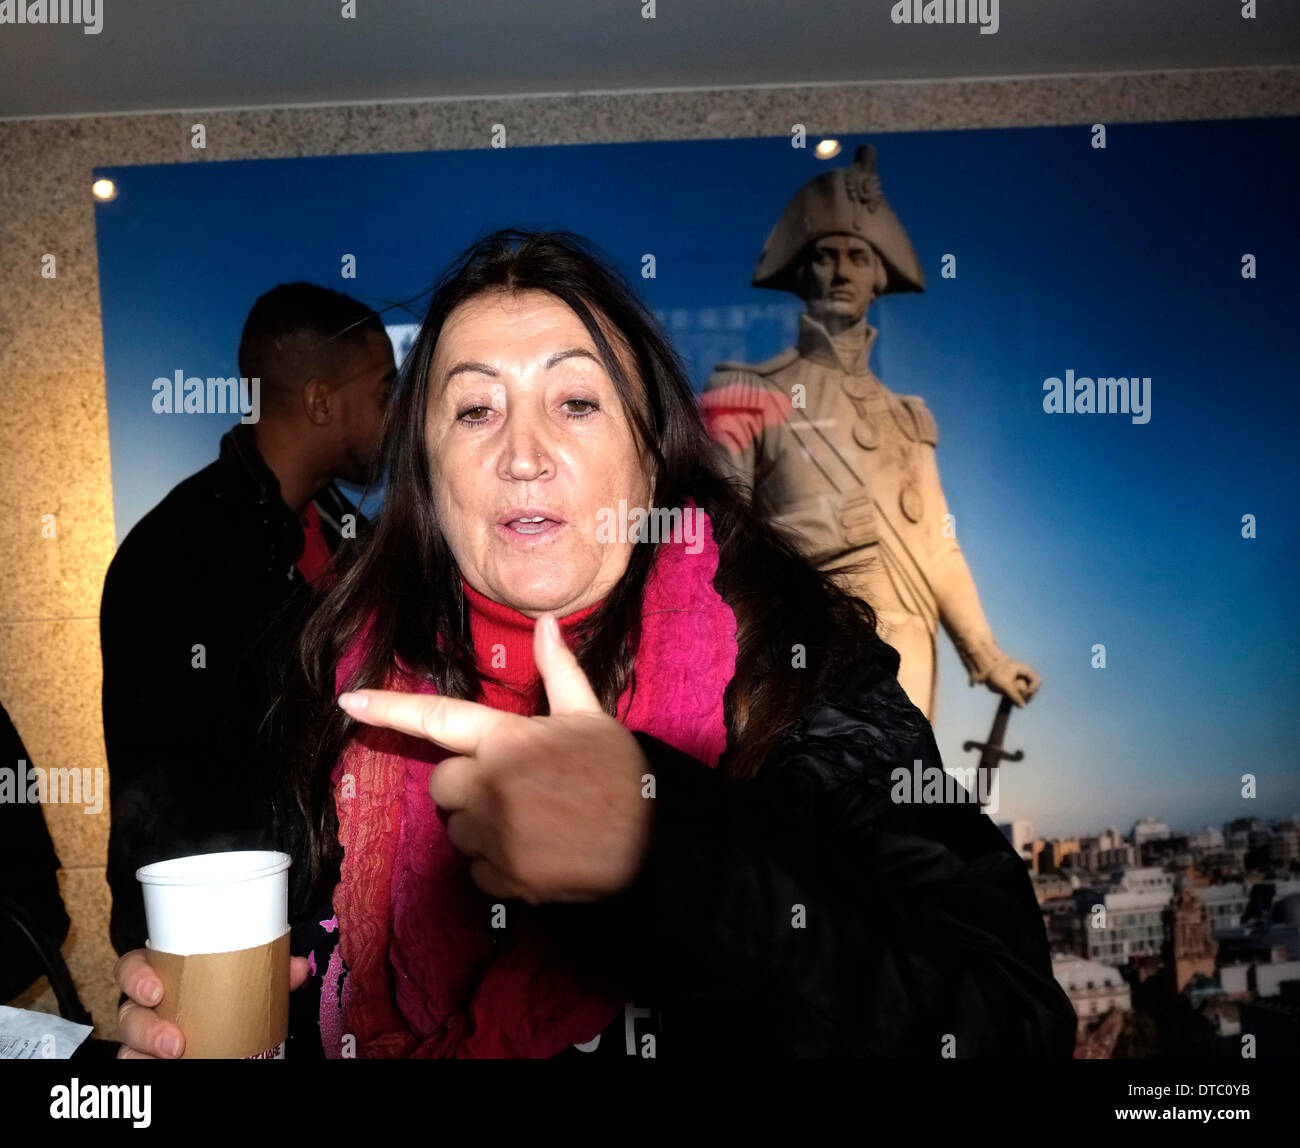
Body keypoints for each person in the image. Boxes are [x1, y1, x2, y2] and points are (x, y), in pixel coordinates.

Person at [114, 230, 1076, 1059]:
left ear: (650, 453)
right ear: (427, 480)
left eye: (576, 403)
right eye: (475, 409)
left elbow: (1007, 1022)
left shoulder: (794, 671)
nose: (522, 453)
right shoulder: (323, 689)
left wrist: (676, 856)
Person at [103, 283, 396, 957]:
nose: (396, 414)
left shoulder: (347, 531)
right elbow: (165, 796)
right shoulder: (176, 555)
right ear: (320, 400)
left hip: (333, 932)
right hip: (227, 941)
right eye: (384, 391)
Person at [700, 144, 1040, 721]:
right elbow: (717, 544)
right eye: (825, 255)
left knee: (899, 807)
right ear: (801, 271)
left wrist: (987, 656)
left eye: (856, 256)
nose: (839, 271)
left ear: (878, 274)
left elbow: (938, 545)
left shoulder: (907, 416)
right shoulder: (744, 392)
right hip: (805, 645)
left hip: (912, 641)